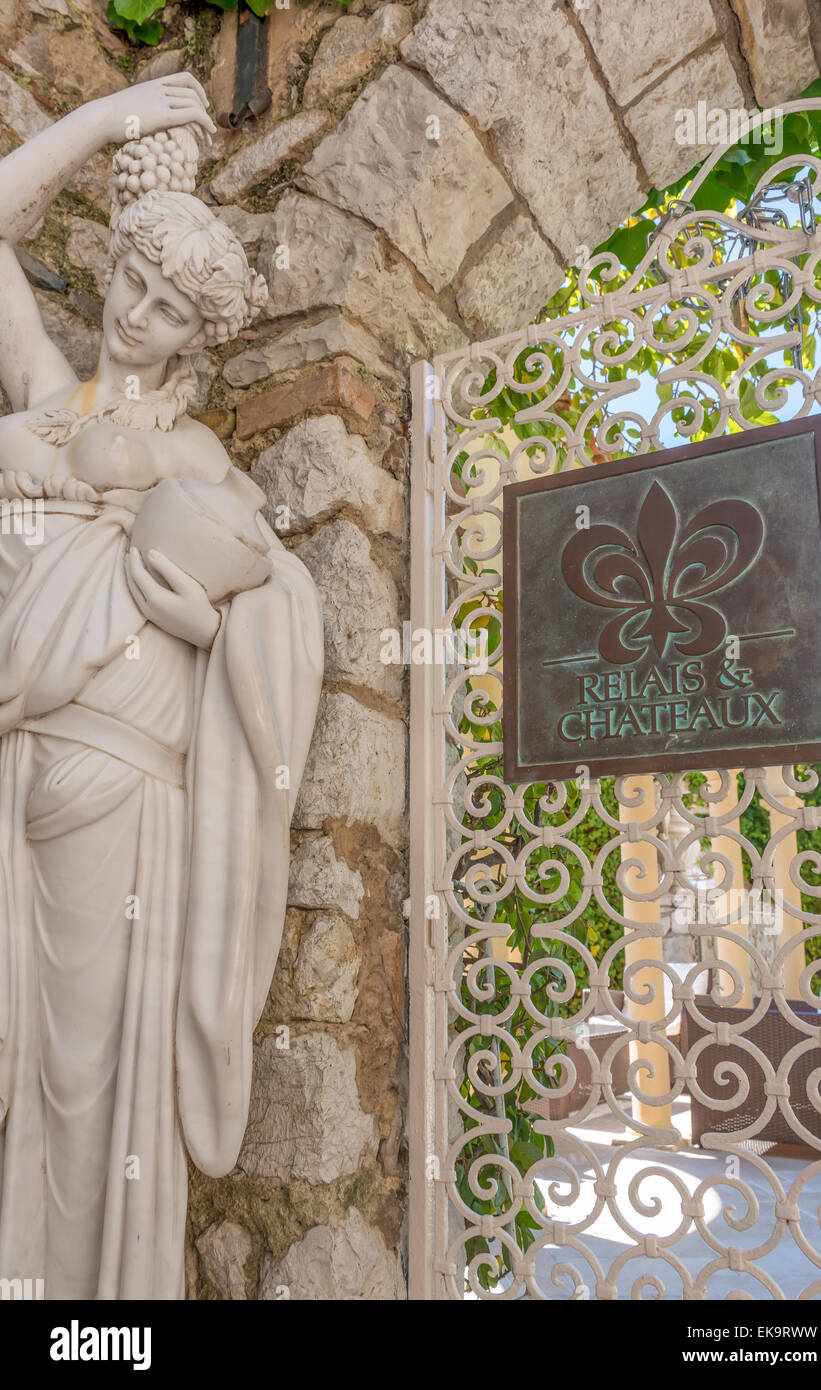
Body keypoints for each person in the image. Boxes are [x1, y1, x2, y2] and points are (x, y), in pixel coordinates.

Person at [0, 74, 324, 1299]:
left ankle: (98, 1323)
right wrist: (114, 119)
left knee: (94, 1076)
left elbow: (280, 609)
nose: (132, 315)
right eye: (130, 282)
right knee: (27, 1073)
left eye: (169, 308)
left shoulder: (193, 458)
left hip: (127, 796)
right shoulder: (44, 398)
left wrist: (209, 626)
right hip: (17, 761)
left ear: (201, 337)